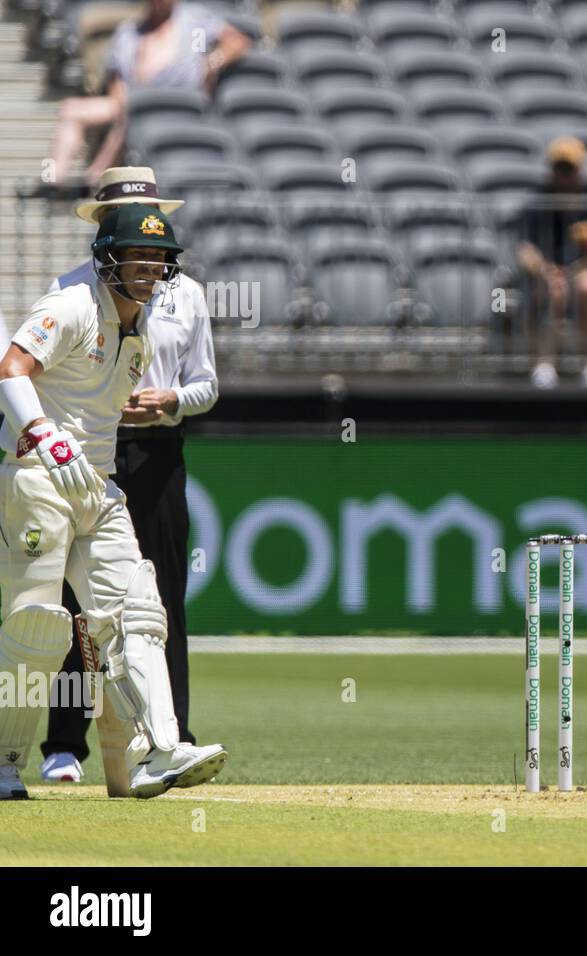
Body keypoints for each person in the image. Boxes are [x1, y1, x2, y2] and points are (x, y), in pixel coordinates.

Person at [0, 203, 227, 800]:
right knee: (37, 625)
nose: (151, 269)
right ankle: (4, 761)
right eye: (139, 257)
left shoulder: (144, 326)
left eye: (160, 259)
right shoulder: (71, 302)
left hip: (97, 485)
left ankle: (160, 750)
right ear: (108, 259)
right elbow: (12, 369)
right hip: (37, 475)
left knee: (137, 612)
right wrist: (45, 436)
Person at [41, 0, 249, 192]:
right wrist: (123, 100)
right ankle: (52, 181)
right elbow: (117, 80)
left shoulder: (193, 20)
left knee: (130, 118)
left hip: (180, 101)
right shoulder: (130, 32)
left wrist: (213, 62)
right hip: (133, 100)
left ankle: (93, 181)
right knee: (71, 109)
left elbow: (237, 41)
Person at [516, 136, 587, 390]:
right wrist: (543, 269)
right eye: (559, 169)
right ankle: (544, 364)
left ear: (580, 171)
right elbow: (524, 250)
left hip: (583, 273)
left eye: (570, 169)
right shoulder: (538, 204)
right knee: (554, 288)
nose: (564, 176)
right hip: (548, 276)